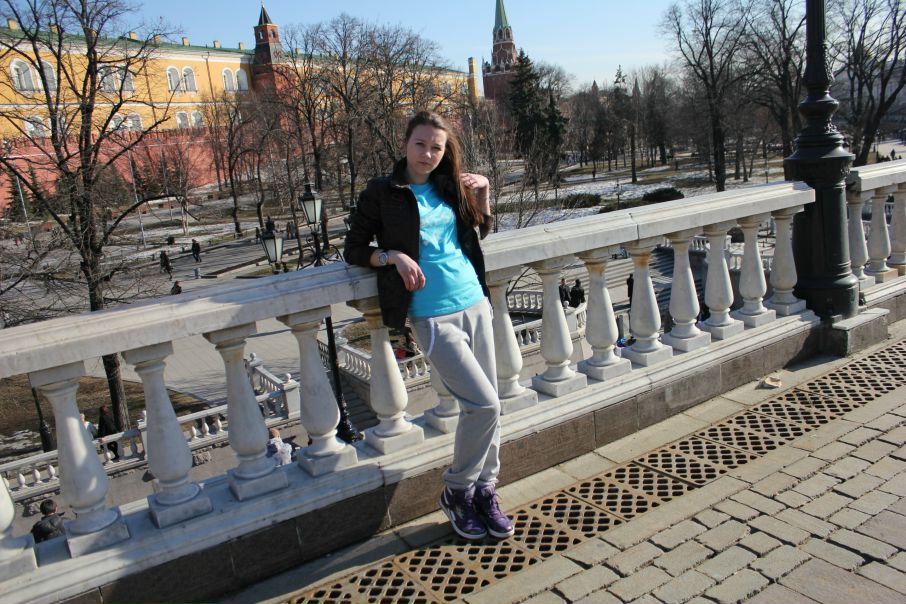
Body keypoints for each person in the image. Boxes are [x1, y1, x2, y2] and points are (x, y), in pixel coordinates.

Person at [344, 110, 513, 541]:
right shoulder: (383, 192)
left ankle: (485, 490)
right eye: (420, 144)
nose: (427, 153)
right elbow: (354, 248)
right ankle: (457, 490)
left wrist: (483, 194)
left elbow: (480, 230)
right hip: (432, 314)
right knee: (483, 406)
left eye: (436, 147)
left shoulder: (448, 185)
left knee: (491, 403)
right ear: (405, 143)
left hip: (474, 301)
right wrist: (393, 257)